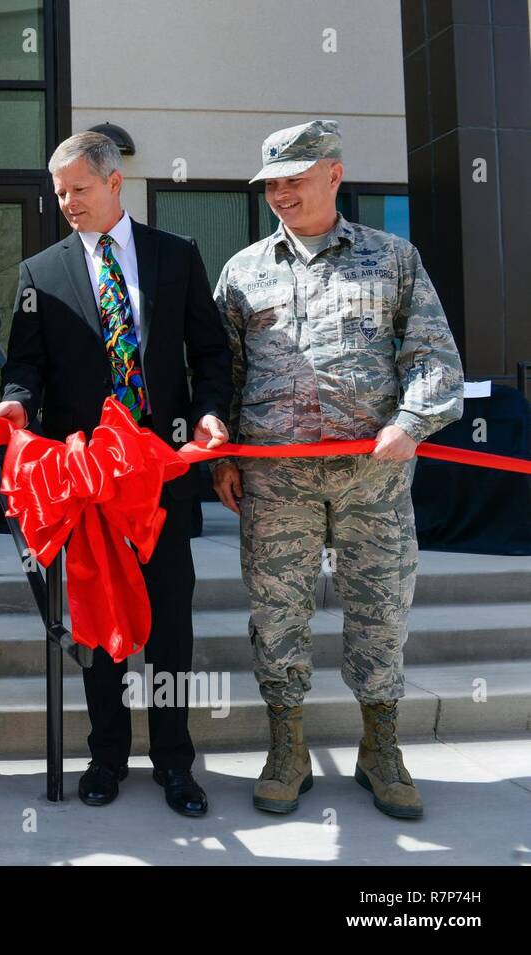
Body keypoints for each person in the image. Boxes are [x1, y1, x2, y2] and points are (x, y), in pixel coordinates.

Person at [212, 120, 464, 819]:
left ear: (334, 174)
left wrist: (410, 424)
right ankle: (287, 749)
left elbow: (434, 358)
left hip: (372, 481)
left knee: (381, 611)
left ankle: (380, 749)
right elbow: (224, 376)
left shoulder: (393, 258)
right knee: (277, 612)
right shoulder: (243, 271)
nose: (282, 193)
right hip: (276, 484)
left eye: (295, 178)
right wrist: (224, 457)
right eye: (272, 184)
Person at [0, 131, 233, 817]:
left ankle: (175, 762)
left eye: (77, 189)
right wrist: (16, 402)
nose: (66, 202)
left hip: (161, 482)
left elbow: (209, 354)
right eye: (59, 191)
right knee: (98, 627)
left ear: (114, 182)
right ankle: (106, 755)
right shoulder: (42, 272)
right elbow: (26, 367)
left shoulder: (175, 257)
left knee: (170, 627)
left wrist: (211, 414)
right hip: (88, 487)